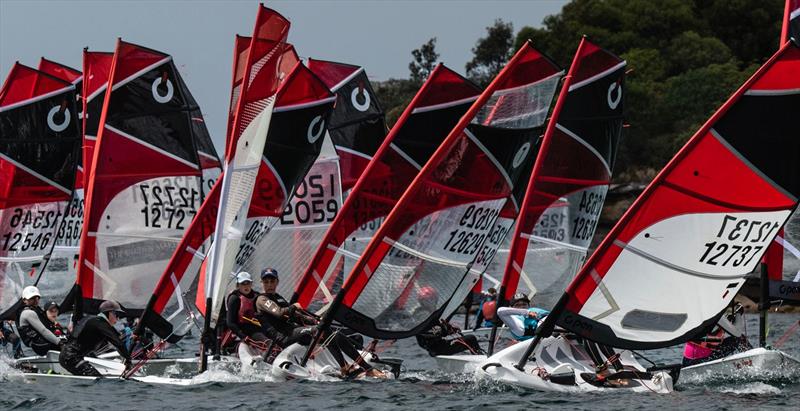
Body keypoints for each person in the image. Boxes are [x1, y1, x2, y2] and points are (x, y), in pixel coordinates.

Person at [255, 267, 384, 378]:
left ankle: (362, 367)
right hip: (284, 337)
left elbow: (295, 316)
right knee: (321, 331)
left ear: (277, 282)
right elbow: (279, 312)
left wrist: (314, 320)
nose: (269, 284)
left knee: (335, 334)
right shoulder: (262, 299)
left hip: (293, 332)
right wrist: (293, 307)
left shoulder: (278, 297)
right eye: (266, 282)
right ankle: (348, 367)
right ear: (262, 283)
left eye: (272, 281)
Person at [58, 300, 132, 376]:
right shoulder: (100, 323)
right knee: (97, 381)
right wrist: (129, 360)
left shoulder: (94, 320)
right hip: (71, 357)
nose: (118, 319)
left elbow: (117, 338)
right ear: (109, 313)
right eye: (117, 315)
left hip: (68, 356)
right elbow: (118, 343)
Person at [682, 302, 752, 366]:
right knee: (739, 339)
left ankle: (750, 358)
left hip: (687, 361)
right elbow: (737, 333)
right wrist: (738, 314)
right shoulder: (716, 315)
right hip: (699, 361)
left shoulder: (701, 314)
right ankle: (752, 359)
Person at [15, 286, 64, 356]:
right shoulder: (28, 313)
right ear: (24, 300)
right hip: (40, 345)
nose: (35, 300)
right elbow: (43, 330)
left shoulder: (35, 309)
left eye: (37, 298)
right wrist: (60, 343)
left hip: (43, 342)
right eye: (32, 298)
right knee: (68, 347)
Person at [224, 272, 268, 343]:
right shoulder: (234, 298)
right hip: (243, 329)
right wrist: (243, 336)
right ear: (238, 285)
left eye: (248, 283)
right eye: (243, 283)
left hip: (258, 326)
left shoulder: (257, 296)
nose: (246, 286)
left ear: (251, 284)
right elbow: (230, 322)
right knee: (265, 340)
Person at [416, 318, 483, 357]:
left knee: (468, 339)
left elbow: (436, 331)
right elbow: (434, 334)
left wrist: (449, 328)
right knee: (471, 338)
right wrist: (446, 330)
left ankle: (478, 355)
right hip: (440, 349)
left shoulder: (422, 317)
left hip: (436, 349)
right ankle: (480, 358)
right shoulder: (425, 317)